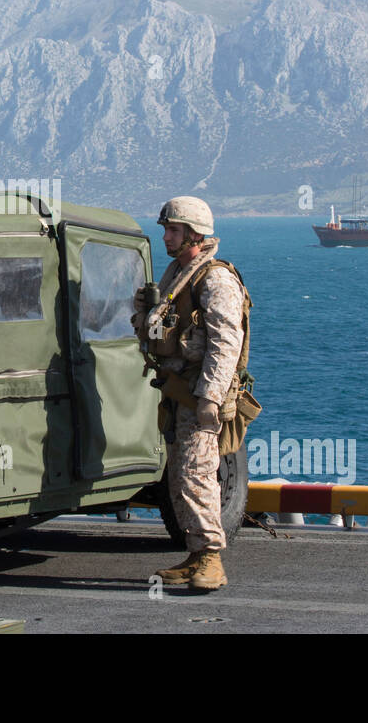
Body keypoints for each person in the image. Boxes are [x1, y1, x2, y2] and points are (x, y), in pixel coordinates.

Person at [133, 196, 250, 591]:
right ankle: (196, 554)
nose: (165, 236)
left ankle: (212, 560)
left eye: (173, 230)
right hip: (178, 391)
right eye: (166, 229)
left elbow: (225, 344)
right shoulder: (177, 273)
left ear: (194, 235)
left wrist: (211, 399)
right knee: (181, 476)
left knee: (197, 475)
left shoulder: (214, 279)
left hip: (198, 395)